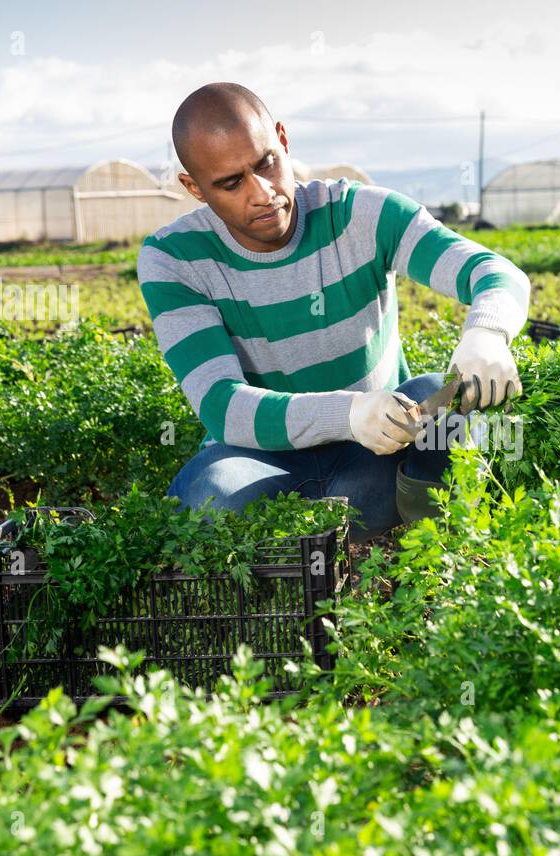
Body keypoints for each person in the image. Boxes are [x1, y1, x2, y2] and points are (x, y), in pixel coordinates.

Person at [137, 83, 529, 541]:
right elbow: (223, 406)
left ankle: (419, 545)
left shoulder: (360, 214)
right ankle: (348, 537)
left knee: (443, 405)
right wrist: (347, 413)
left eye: (266, 163)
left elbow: (493, 272)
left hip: (376, 451)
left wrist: (486, 332)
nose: (262, 193)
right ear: (194, 188)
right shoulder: (174, 258)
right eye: (230, 183)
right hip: (255, 459)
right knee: (213, 499)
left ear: (283, 140)